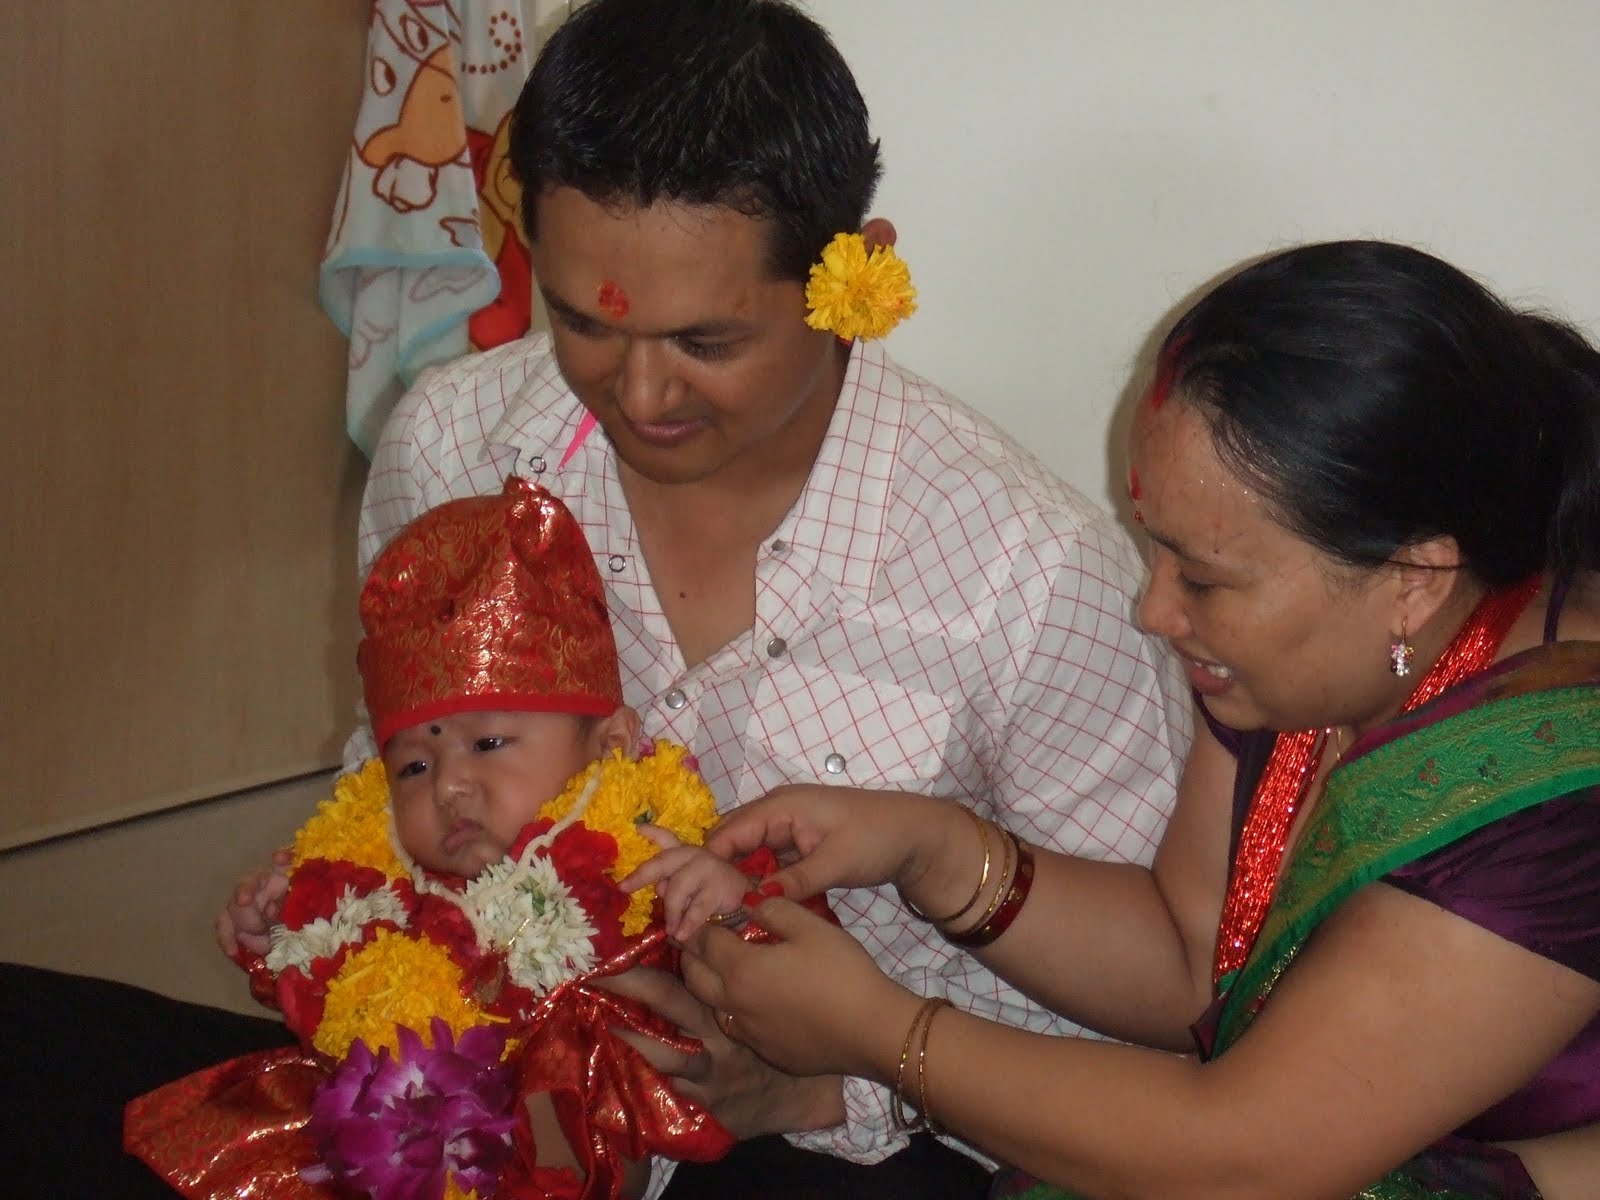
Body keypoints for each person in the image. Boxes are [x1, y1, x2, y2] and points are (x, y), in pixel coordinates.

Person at [350, 0, 1190, 1195]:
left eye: (709, 340)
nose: (638, 392)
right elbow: (393, 762)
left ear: (855, 273)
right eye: (583, 322)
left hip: (875, 1139)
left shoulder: (1028, 575)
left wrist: (834, 1085)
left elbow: (1154, 1008)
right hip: (492, 1075)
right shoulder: (457, 443)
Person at [655, 239, 1600, 1199]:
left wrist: (879, 1035)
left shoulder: (1559, 788)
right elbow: (1186, 961)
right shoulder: (1311, 668)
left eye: (1202, 576)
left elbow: (1245, 1155)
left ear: (1412, 579)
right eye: (1155, 551)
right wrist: (928, 847)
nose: (1155, 612)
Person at [178, 478, 758, 1199]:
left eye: (488, 741)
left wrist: (730, 905)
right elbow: (335, 997)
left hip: (600, 1138)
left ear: (610, 743)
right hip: (413, 1138)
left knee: (570, 1064)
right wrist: (278, 939)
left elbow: (754, 963)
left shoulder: (648, 845)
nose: (448, 785)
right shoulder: (386, 877)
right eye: (414, 766)